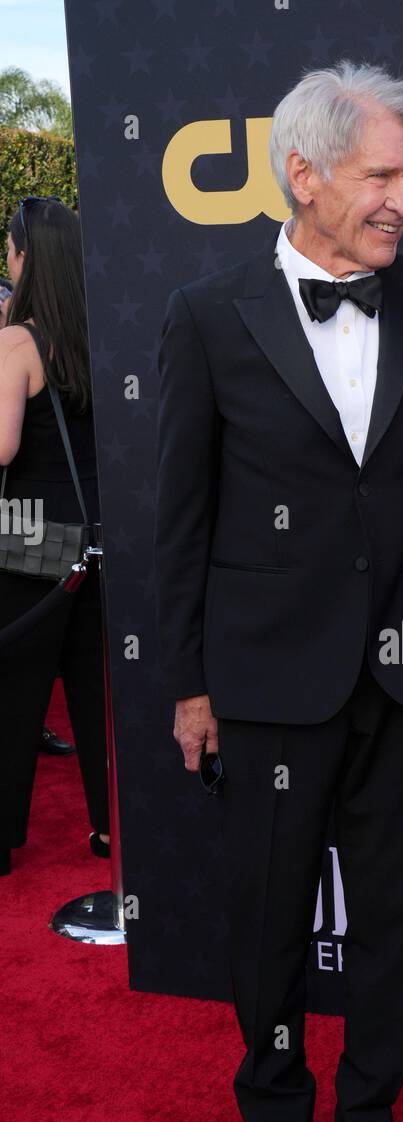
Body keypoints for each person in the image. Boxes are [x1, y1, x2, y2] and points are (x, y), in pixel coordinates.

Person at [155, 61, 403, 1122]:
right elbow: (180, 517)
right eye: (382, 174)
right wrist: (188, 682)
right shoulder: (206, 313)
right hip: (265, 681)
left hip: (395, 676)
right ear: (303, 174)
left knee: (391, 919)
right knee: (270, 919)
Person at [0, 197, 109, 878]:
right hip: (100, 532)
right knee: (98, 692)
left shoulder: (18, 342)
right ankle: (110, 827)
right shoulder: (103, 335)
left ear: (27, 257)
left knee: (13, 690)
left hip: (26, 531)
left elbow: (2, 446)